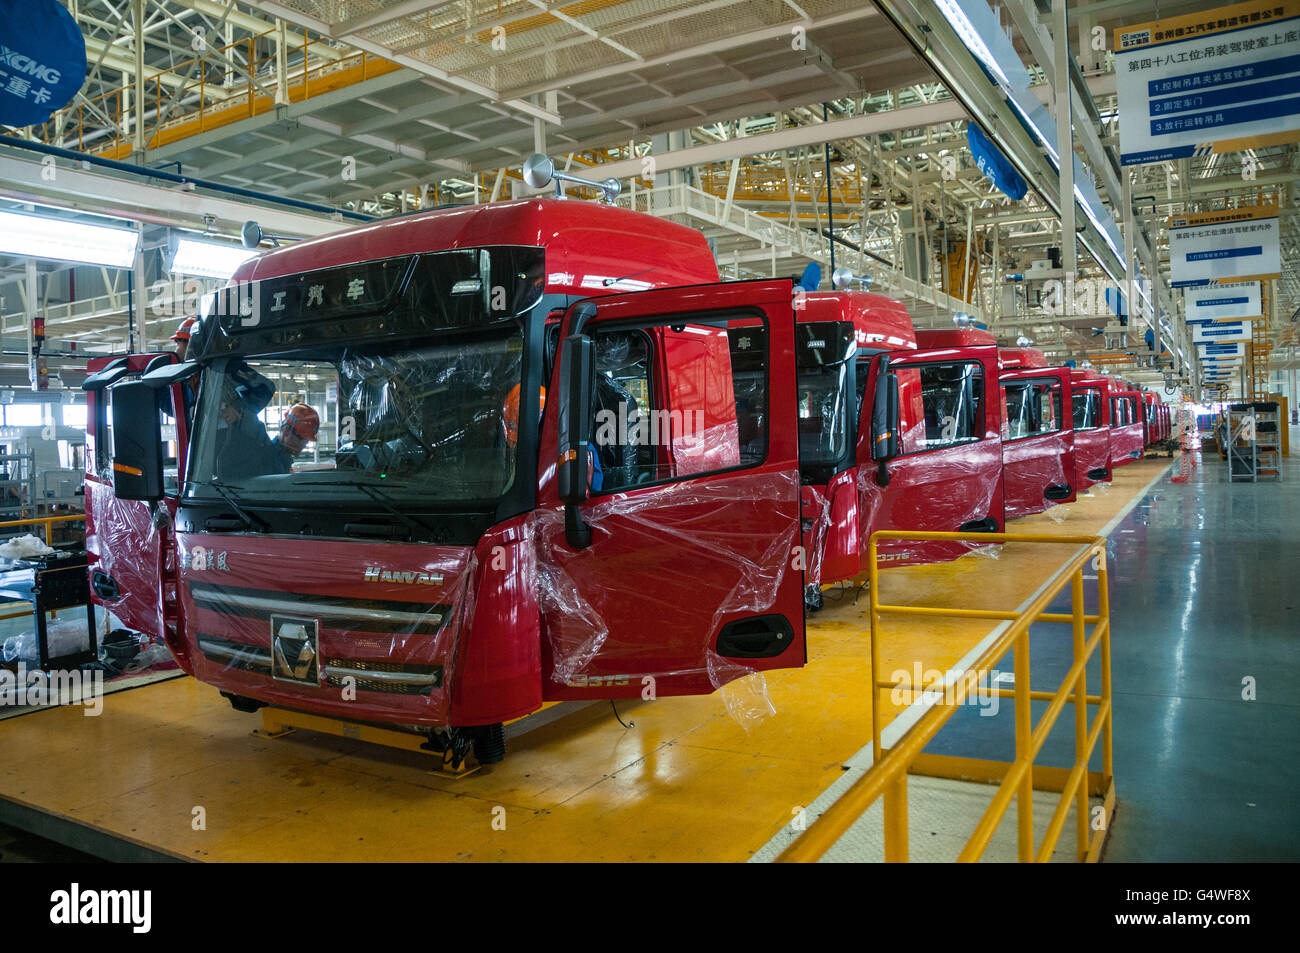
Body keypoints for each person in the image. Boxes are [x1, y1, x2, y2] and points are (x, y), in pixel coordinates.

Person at [265, 403, 320, 474]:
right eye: (301, 439)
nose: (304, 445)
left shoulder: (284, 458)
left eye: (306, 441)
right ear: (286, 431)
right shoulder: (269, 459)